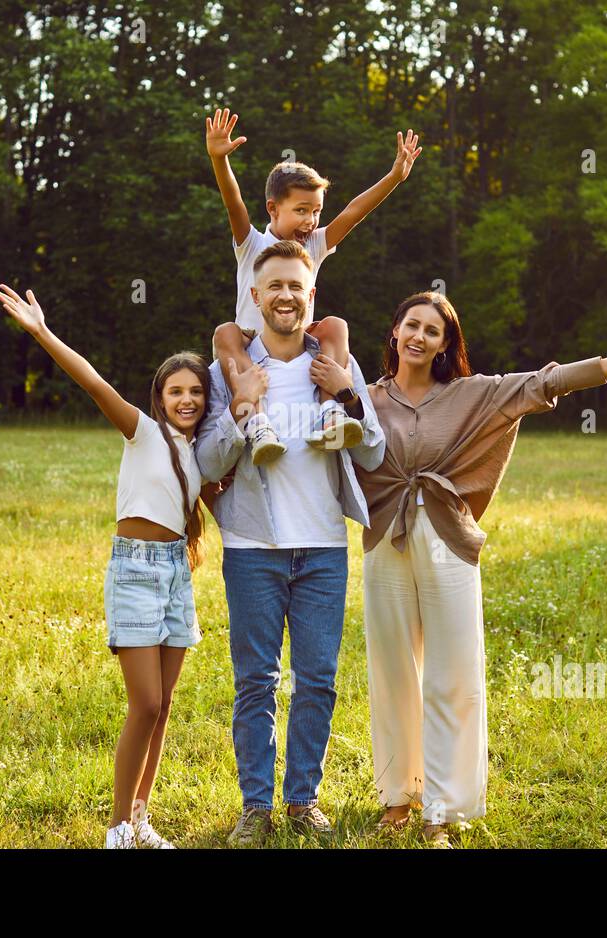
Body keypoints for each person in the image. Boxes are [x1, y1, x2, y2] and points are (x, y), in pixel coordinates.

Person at [355, 291, 607, 846]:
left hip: (447, 539)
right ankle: (397, 796)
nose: (419, 336)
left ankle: (442, 806)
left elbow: (546, 382)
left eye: (432, 331)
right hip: (385, 540)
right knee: (392, 668)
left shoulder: (471, 395)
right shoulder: (363, 400)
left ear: (444, 345)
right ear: (394, 333)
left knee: (450, 673)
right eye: (411, 325)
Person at [0, 283, 211, 850]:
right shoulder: (142, 432)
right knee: (143, 702)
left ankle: (142, 818)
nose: (186, 399)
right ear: (159, 397)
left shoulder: (204, 456)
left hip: (175, 577)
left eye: (196, 392)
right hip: (135, 572)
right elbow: (93, 382)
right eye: (176, 390)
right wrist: (42, 332)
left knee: (162, 710)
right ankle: (117, 825)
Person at [194, 239, 385, 845]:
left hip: (324, 548)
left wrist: (350, 396)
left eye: (294, 287)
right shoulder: (226, 371)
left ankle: (302, 798)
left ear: (311, 295)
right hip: (254, 549)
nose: (284, 296)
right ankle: (256, 805)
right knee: (256, 681)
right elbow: (205, 462)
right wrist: (239, 407)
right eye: (273, 286)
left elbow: (374, 449)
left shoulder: (333, 364)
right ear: (256, 296)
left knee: (318, 678)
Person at [204, 106, 420, 463]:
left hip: (297, 341)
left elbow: (352, 212)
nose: (311, 220)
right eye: (301, 210)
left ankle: (330, 412)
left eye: (316, 211)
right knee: (225, 332)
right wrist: (218, 160)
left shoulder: (313, 245)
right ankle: (257, 423)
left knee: (335, 325)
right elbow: (233, 201)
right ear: (273, 209)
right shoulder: (252, 244)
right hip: (253, 343)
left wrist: (394, 177)